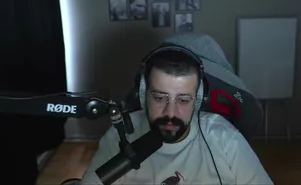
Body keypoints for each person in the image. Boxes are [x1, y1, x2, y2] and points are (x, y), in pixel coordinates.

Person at [78, 47, 272, 184]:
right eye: (160, 98)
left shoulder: (224, 139)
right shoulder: (120, 136)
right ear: (143, 94)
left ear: (198, 100)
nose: (170, 112)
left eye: (183, 100)